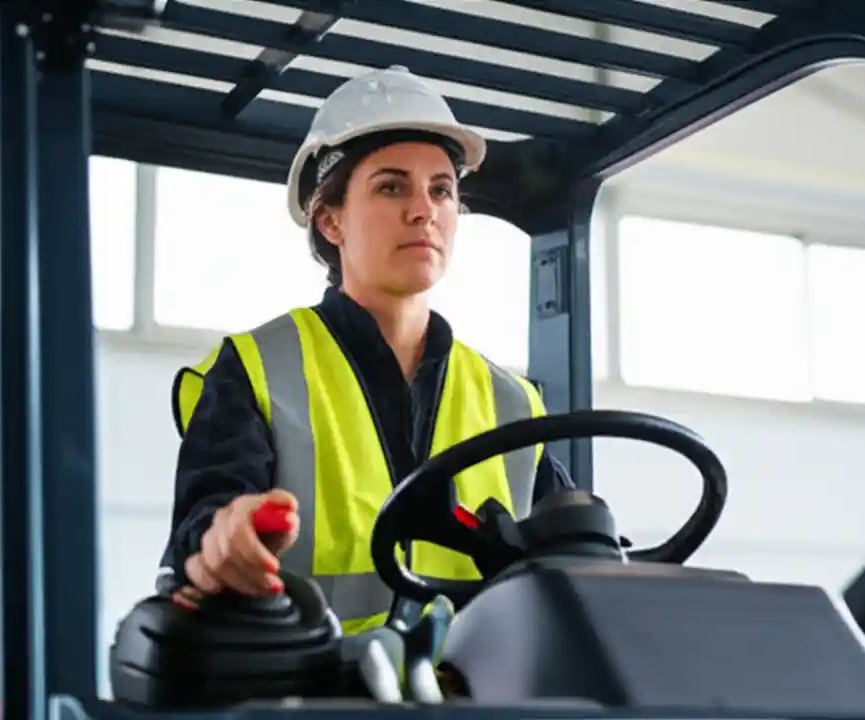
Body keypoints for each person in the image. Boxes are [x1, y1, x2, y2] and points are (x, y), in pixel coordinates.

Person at [155, 65, 574, 635]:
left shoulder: (511, 401)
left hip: (480, 694)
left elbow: (574, 548)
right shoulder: (258, 370)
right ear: (330, 220)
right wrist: (225, 536)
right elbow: (203, 531)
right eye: (391, 186)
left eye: (442, 189)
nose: (424, 209)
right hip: (308, 693)